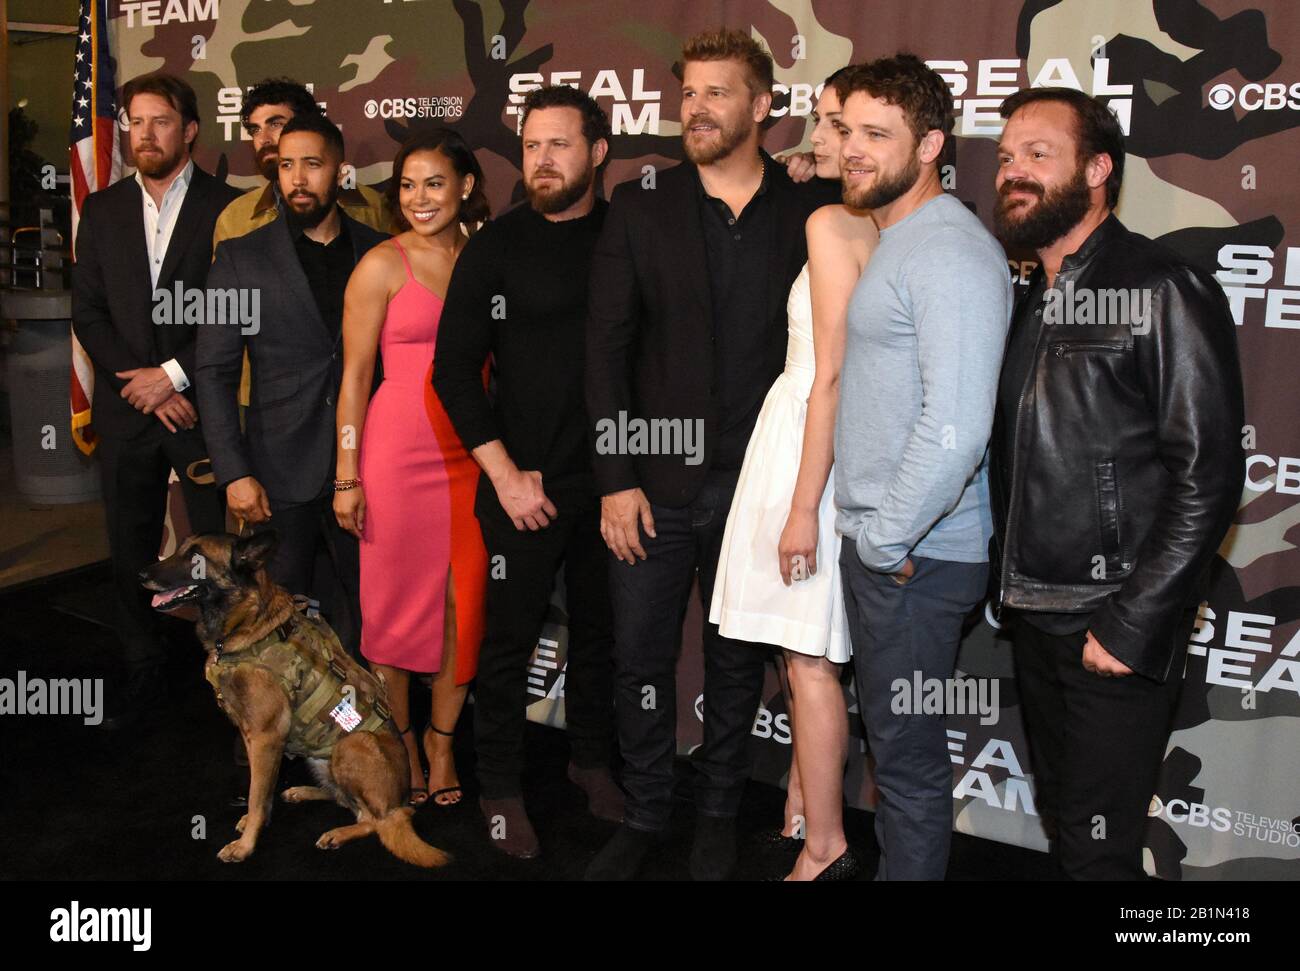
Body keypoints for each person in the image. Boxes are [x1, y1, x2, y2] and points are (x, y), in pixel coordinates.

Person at [584, 28, 839, 881]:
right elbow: (605, 349)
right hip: (652, 484)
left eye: (717, 93)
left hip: (760, 485)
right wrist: (615, 480)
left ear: (763, 107)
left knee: (737, 665)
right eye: (688, 93)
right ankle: (649, 808)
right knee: (641, 658)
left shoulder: (812, 212)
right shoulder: (641, 205)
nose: (695, 108)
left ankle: (720, 815)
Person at [990, 87, 1244, 879]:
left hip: (1110, 627)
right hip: (1036, 615)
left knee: (1098, 854)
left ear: (1099, 169)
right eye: (1005, 158)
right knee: (1071, 834)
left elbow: (1208, 474)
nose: (1014, 173)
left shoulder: (1162, 285)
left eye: (1039, 154)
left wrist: (1132, 624)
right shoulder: (1032, 292)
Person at [832, 56, 1012, 881]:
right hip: (899, 552)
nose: (852, 150)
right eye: (845, 131)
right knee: (898, 756)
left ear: (932, 143)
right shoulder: (904, 235)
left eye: (877, 134)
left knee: (906, 767)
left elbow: (957, 426)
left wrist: (882, 538)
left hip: (915, 558)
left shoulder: (948, 251)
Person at [433, 86, 622, 859]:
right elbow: (450, 372)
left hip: (609, 484)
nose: (541, 159)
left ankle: (590, 758)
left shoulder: (627, 236)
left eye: (560, 145)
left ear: (598, 152)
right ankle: (501, 787)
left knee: (601, 635)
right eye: (532, 145)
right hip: (519, 485)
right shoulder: (496, 245)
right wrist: (506, 476)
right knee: (507, 643)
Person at [708, 71, 876, 881]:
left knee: (809, 660)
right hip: (816, 438)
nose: (826, 138)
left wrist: (804, 506)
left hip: (812, 443)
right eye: (821, 120)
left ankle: (825, 847)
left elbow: (833, 374)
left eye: (845, 125)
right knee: (806, 653)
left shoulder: (831, 225)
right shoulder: (877, 219)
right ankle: (803, 806)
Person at [71, 72, 239, 729]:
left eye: (159, 120)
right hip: (127, 408)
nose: (144, 133)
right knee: (129, 542)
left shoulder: (228, 208)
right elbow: (88, 312)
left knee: (218, 549)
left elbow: (236, 314)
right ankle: (140, 660)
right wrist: (141, 381)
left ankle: (227, 666)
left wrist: (173, 374)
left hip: (203, 408)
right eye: (135, 121)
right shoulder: (105, 209)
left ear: (189, 129)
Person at [333, 128, 490, 809]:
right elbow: (354, 376)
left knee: (465, 602)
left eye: (434, 183)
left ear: (465, 186)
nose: (419, 198)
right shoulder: (380, 265)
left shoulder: (485, 258)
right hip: (396, 455)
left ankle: (441, 741)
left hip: (473, 454)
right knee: (394, 611)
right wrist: (347, 472)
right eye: (407, 185)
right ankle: (398, 740)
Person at [197, 111, 388, 661]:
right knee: (272, 614)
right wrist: (234, 471)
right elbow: (213, 371)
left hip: (369, 463)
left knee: (367, 608)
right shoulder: (240, 257)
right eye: (286, 166)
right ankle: (265, 739)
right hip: (278, 468)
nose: (298, 179)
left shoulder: (380, 251)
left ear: (341, 172)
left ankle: (359, 733)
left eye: (312, 164)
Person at [212, 78, 389, 412]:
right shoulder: (235, 219)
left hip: (360, 393)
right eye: (255, 130)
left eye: (276, 124)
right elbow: (225, 330)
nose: (265, 139)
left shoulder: (369, 208)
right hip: (270, 404)